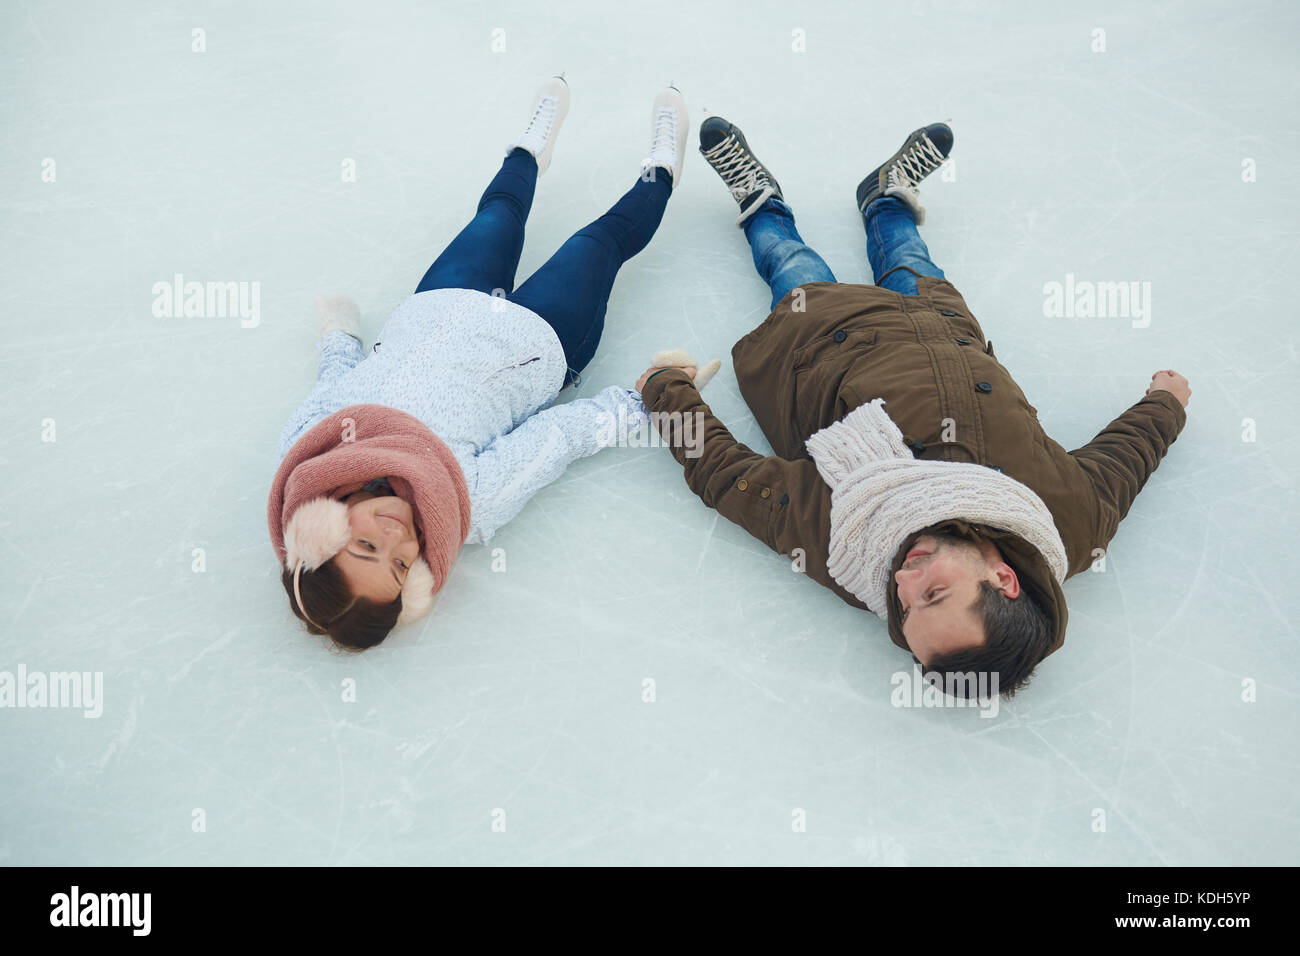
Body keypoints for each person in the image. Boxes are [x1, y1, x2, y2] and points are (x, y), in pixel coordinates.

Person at [636, 117, 1190, 697]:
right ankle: (885, 198)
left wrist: (663, 392)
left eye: (905, 611)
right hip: (938, 323)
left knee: (788, 259)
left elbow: (726, 477)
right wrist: (1167, 407)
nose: (902, 580)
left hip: (819, 337)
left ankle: (761, 200)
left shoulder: (846, 542)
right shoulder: (1070, 523)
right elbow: (1127, 461)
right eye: (933, 593)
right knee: (906, 252)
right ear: (1005, 579)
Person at [268, 76, 689, 650]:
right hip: (541, 338)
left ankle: (529, 146)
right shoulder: (464, 498)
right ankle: (662, 167)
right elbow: (555, 438)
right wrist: (648, 397)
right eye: (399, 567)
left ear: (322, 527)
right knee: (600, 241)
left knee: (499, 211)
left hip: (438, 303)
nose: (397, 539)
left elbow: (333, 386)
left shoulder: (311, 450)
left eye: (367, 547)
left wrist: (338, 335)